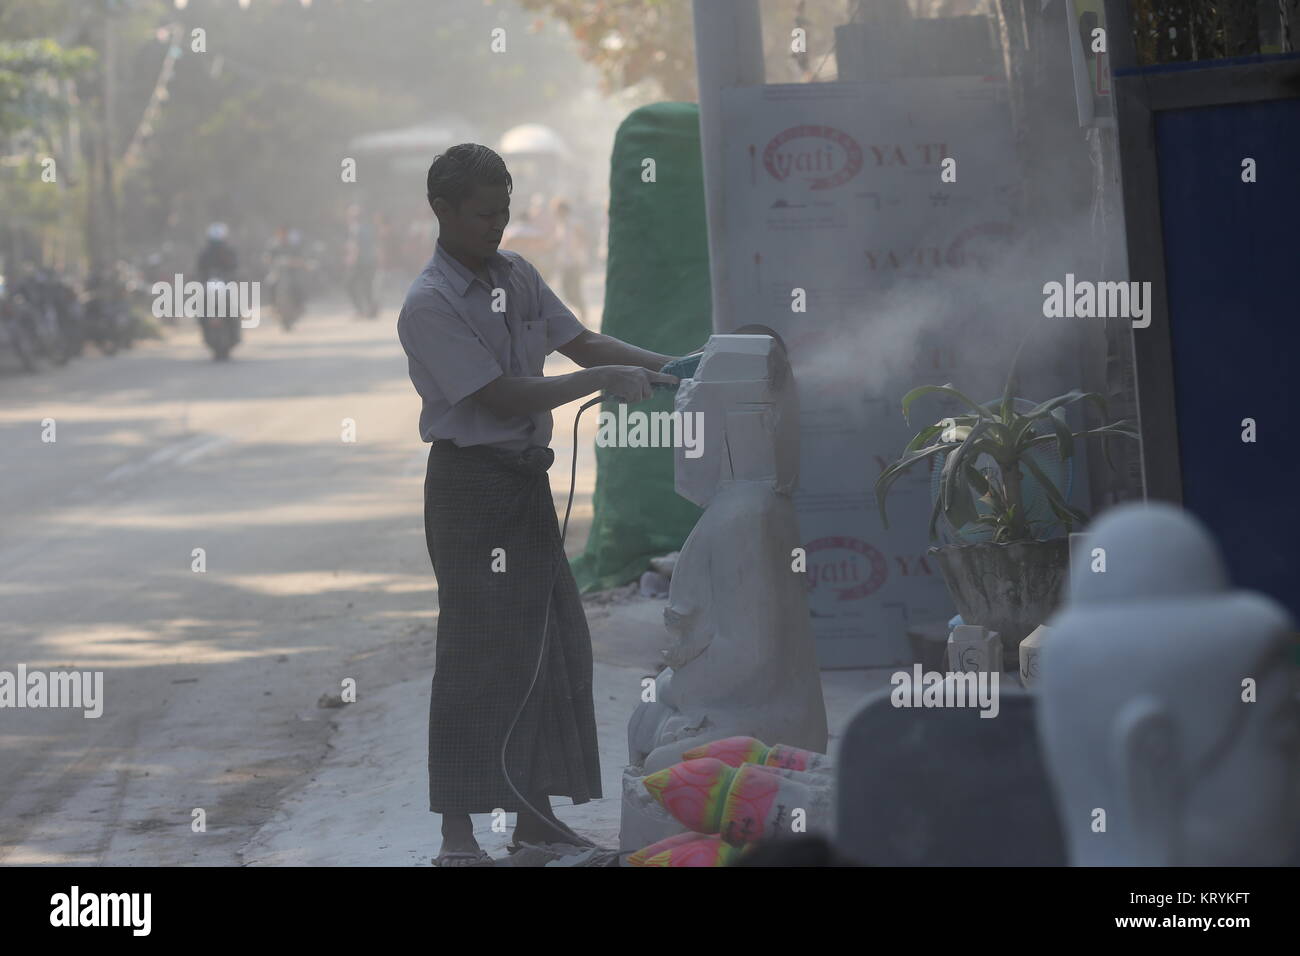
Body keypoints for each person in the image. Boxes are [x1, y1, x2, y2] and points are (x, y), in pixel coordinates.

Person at [397, 143, 680, 867]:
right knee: (475, 653)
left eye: (504, 212)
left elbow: (579, 341)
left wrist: (674, 368)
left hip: (524, 480)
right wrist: (603, 381)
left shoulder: (518, 275)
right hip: (470, 489)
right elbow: (499, 394)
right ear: (442, 211)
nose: (497, 227)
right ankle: (456, 836)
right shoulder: (429, 304)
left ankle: (535, 818)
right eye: (483, 215)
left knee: (550, 643)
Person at [550, 198, 588, 324]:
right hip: (564, 263)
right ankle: (581, 313)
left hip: (575, 262)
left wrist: (580, 255)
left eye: (557, 210)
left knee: (575, 290)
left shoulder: (574, 223)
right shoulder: (559, 225)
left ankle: (583, 315)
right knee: (566, 291)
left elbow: (583, 240)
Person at [343, 204, 379, 318]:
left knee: (350, 284)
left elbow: (356, 246)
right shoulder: (367, 227)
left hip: (360, 261)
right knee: (366, 285)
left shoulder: (356, 228)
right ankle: (370, 310)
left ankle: (362, 310)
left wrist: (351, 259)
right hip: (368, 261)